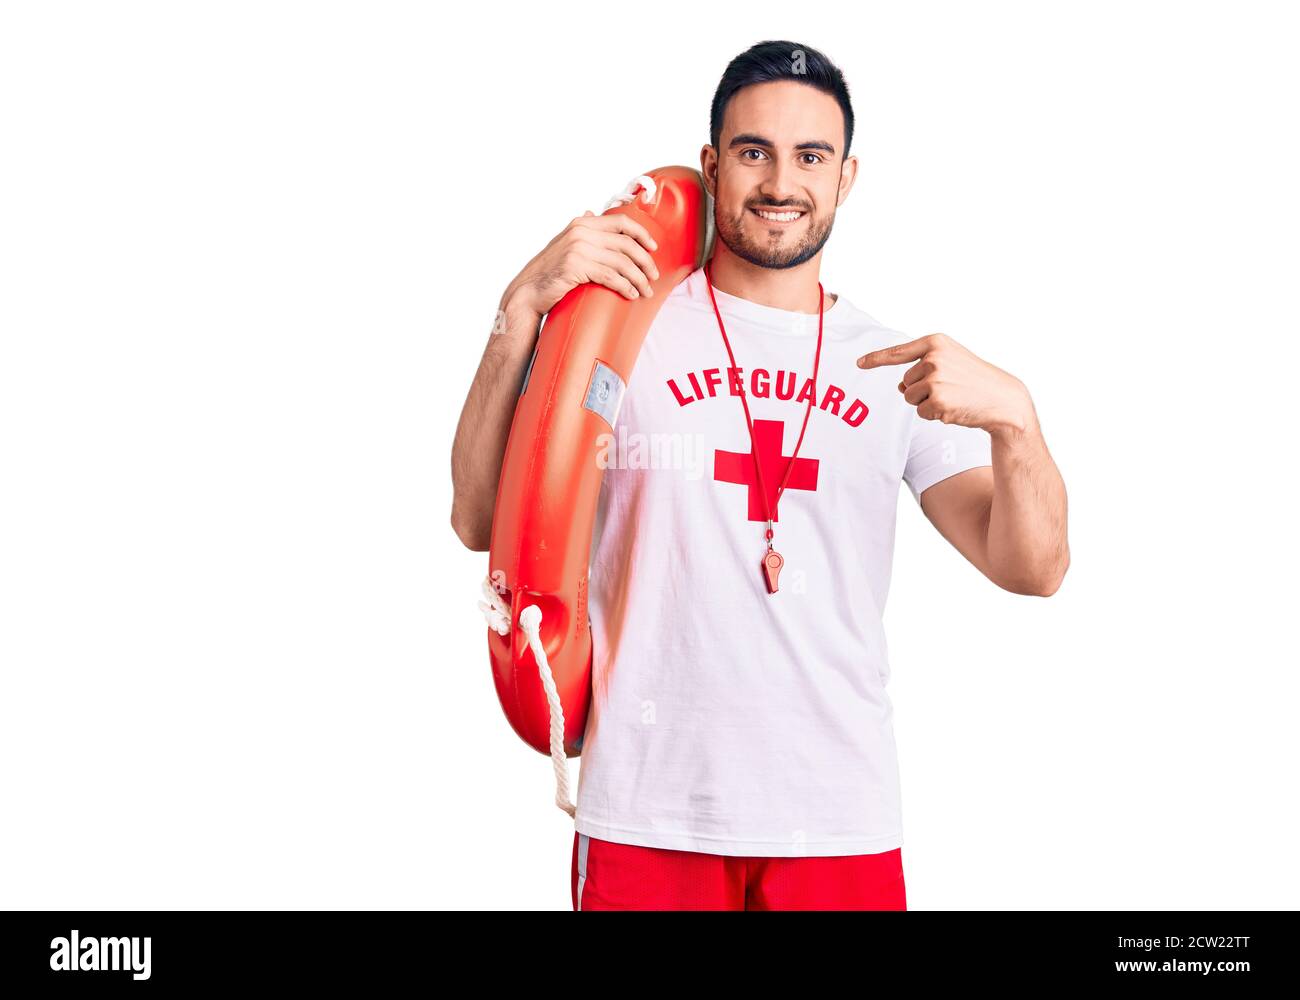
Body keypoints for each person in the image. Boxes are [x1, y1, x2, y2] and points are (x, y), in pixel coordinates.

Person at [451, 39, 1069, 910]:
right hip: (646, 814)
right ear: (712, 166)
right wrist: (519, 311)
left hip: (839, 822)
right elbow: (480, 518)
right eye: (754, 152)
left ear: (847, 176)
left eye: (810, 155)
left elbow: (1033, 568)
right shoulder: (624, 328)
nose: (783, 182)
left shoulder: (892, 364)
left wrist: (1019, 421)